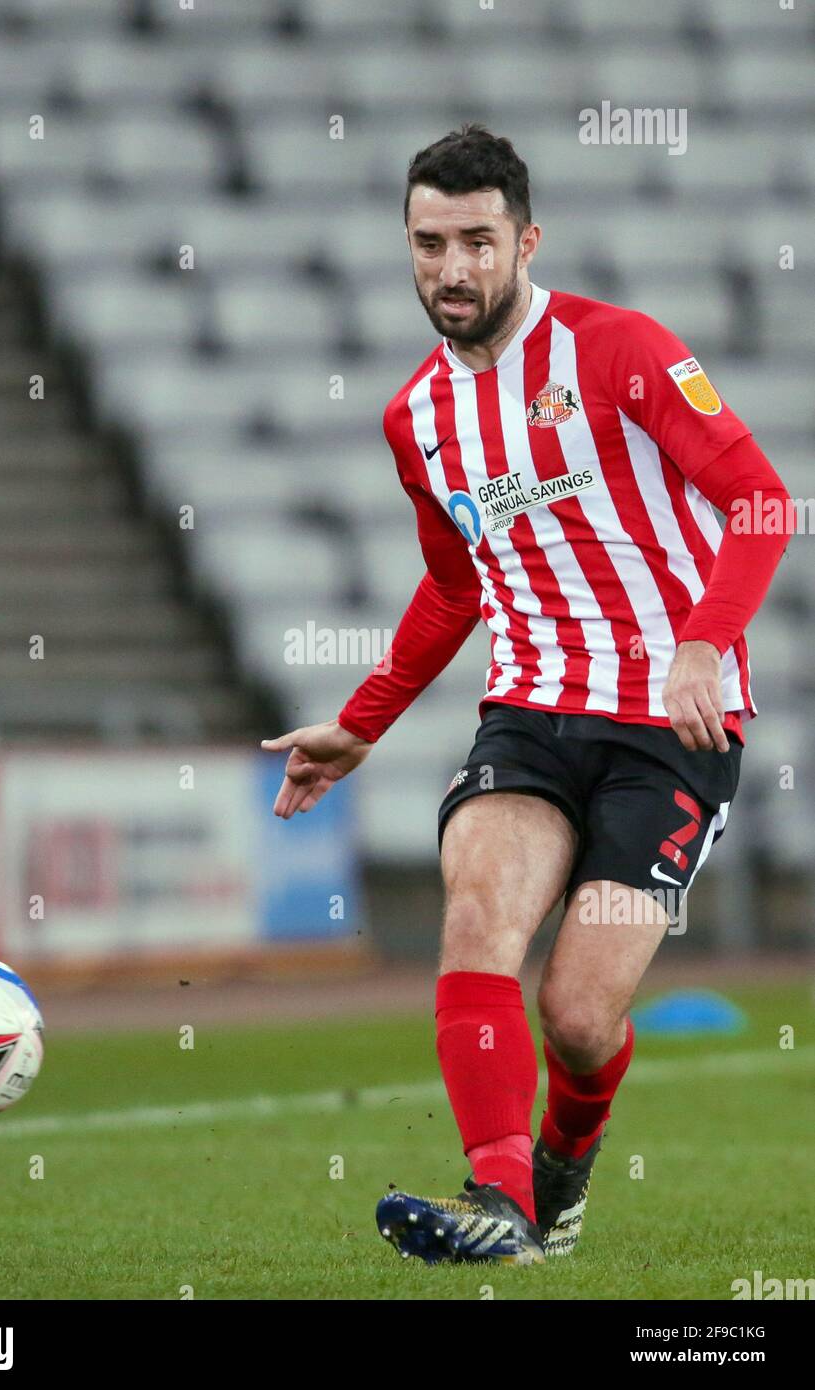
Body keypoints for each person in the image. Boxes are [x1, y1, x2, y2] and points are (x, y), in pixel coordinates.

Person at [261, 125, 793, 1266]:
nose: (450, 269)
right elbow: (455, 582)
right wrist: (361, 724)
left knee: (579, 1017)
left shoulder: (620, 351)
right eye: (427, 243)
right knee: (474, 921)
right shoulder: (416, 417)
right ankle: (498, 1197)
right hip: (528, 715)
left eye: (474, 241)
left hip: (668, 727)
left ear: (524, 239)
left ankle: (557, 1178)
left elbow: (757, 500)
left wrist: (702, 641)